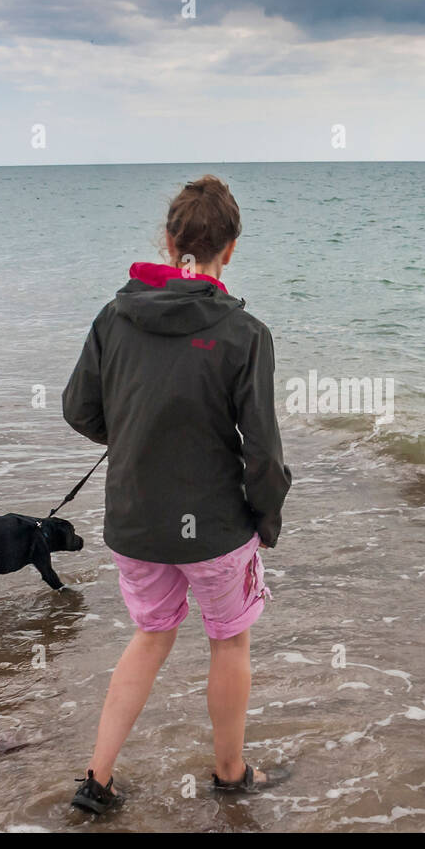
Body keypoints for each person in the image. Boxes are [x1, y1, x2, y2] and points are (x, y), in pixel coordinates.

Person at [62, 175, 292, 813]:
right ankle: (230, 775)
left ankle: (98, 780)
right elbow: (265, 453)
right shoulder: (245, 333)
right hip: (216, 526)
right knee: (230, 640)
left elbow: (79, 410)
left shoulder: (115, 316)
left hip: (136, 521)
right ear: (232, 249)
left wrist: (138, 436)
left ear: (169, 243)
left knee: (151, 635)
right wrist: (266, 518)